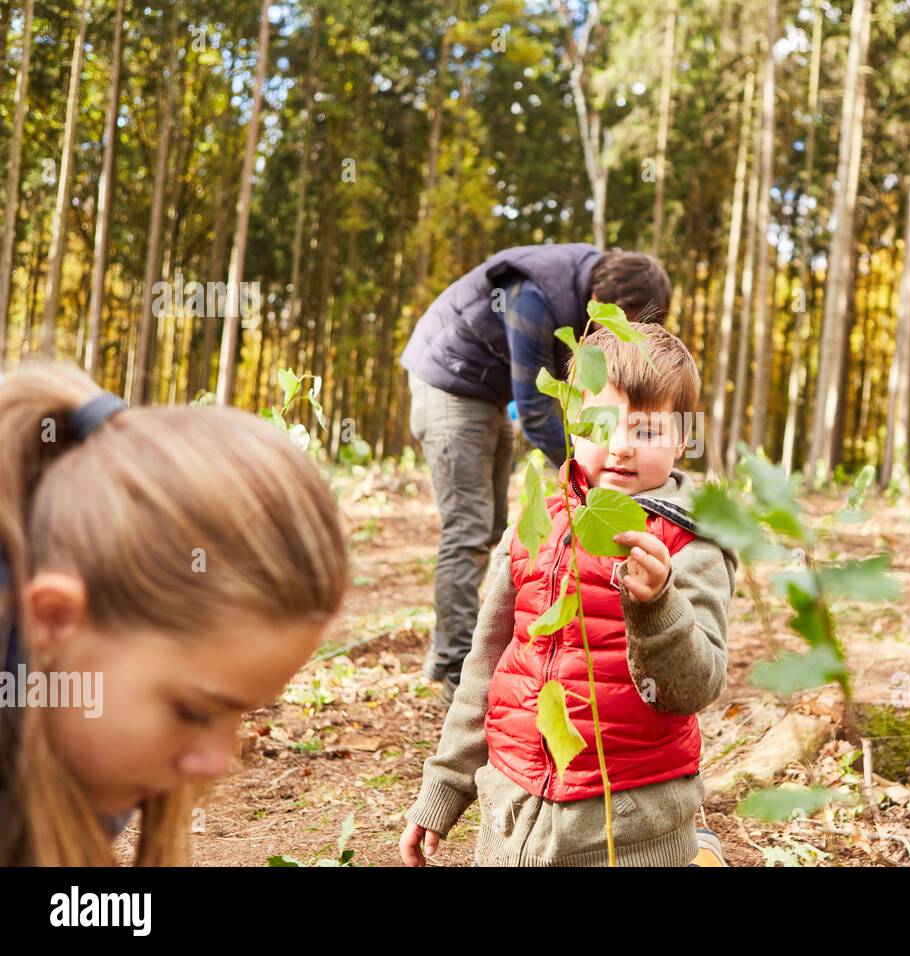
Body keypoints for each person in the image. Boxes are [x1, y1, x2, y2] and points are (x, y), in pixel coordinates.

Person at [397, 324, 736, 867]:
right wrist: (443, 790)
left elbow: (696, 687)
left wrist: (658, 606)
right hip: (512, 822)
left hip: (629, 832)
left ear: (681, 439)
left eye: (647, 430)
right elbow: (486, 666)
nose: (622, 447)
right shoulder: (537, 519)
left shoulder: (690, 544)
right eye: (602, 425)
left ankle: (698, 850)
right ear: (572, 426)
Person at [0, 363, 348, 866]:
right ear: (53, 620)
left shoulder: (82, 733)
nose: (214, 764)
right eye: (193, 711)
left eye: (240, 715)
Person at [400, 244, 672, 706]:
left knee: (491, 525)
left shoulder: (582, 283)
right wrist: (588, 470)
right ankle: (453, 668)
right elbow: (533, 409)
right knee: (468, 528)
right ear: (612, 302)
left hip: (484, 389)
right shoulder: (536, 293)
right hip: (447, 380)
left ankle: (457, 655)